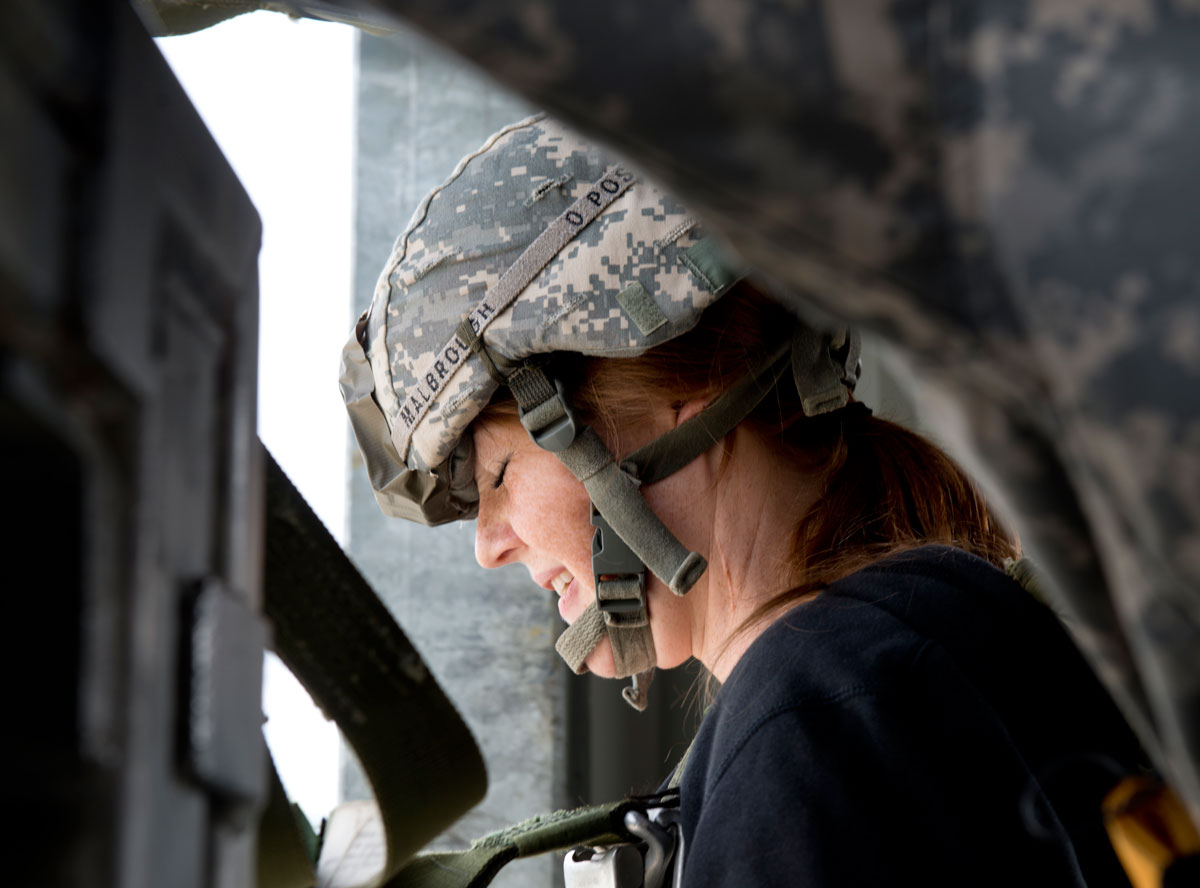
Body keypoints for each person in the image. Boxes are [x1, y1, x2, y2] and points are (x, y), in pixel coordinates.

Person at [340, 114, 1147, 886]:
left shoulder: (805, 729)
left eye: (499, 478)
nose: (489, 545)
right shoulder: (943, 642)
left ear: (672, 398)